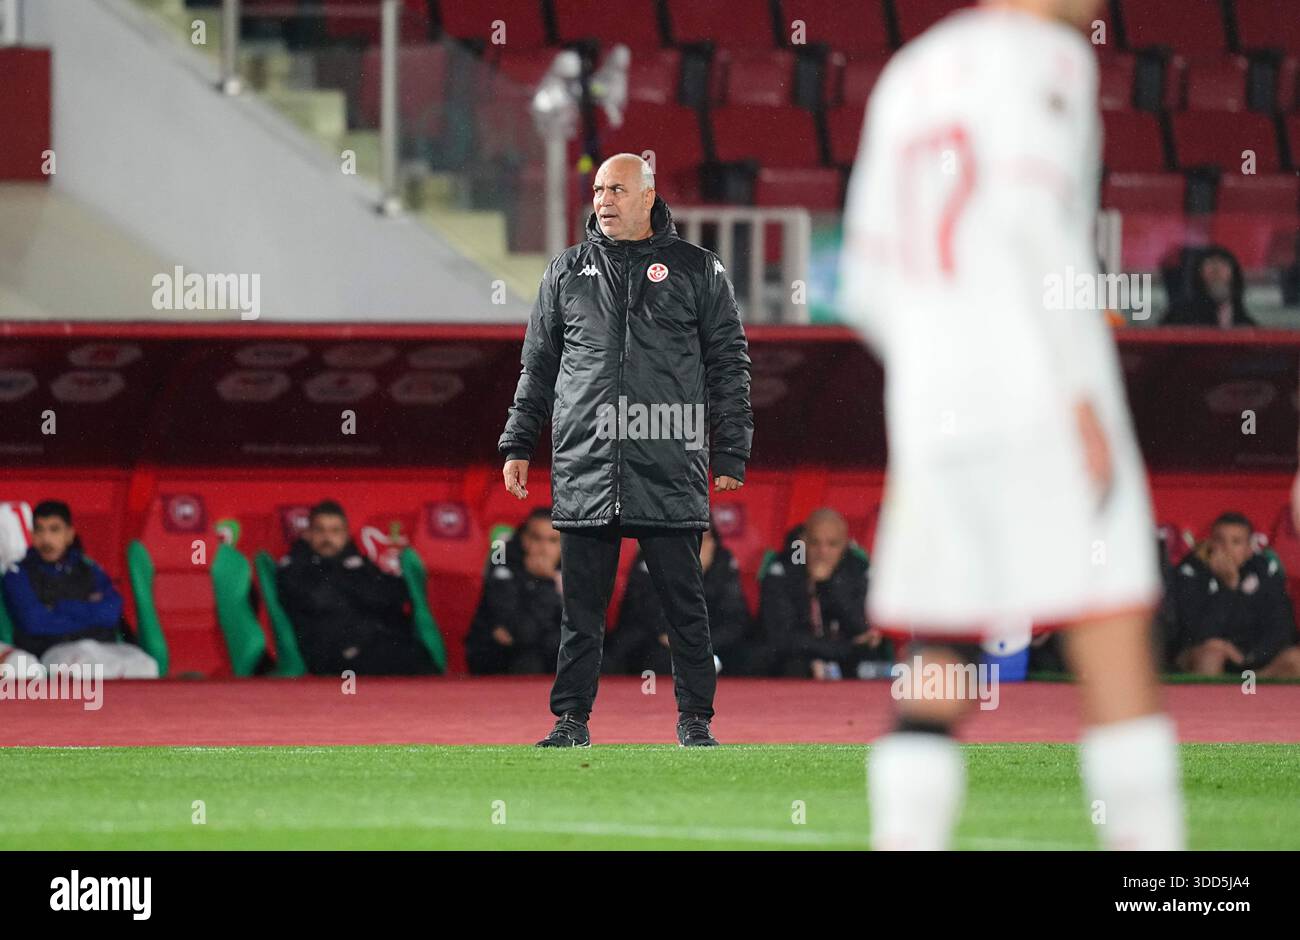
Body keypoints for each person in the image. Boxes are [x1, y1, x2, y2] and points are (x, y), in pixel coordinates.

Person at [838, 0, 1184, 849]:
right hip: (1040, 395)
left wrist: (936, 372)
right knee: (1111, 633)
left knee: (939, 654)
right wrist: (1072, 389)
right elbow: (1035, 223)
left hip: (931, 407)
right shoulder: (1048, 60)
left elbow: (864, 279)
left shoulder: (908, 73)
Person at [498, 153, 753, 747]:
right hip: (585, 460)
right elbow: (536, 367)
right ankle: (571, 721)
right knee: (580, 612)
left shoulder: (698, 269)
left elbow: (729, 363)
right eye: (596, 189)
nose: (603, 199)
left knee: (684, 608)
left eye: (616, 188)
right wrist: (517, 441)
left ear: (647, 196)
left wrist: (731, 451)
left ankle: (695, 723)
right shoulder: (565, 272)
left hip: (668, 459)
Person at [0, 500, 158, 678]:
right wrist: (89, 613)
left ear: (69, 534)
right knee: (81, 669)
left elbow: (111, 613)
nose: (46, 539)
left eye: (54, 530)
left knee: (146, 666)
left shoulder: (89, 568)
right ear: (32, 535)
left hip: (104, 646)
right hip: (55, 649)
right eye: (40, 530)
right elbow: (35, 623)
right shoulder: (18, 574)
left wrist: (62, 607)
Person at [275, 500, 434, 676]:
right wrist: (351, 577)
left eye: (335, 531)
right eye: (320, 530)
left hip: (374, 644)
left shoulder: (356, 563)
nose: (327, 538)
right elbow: (318, 599)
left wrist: (352, 576)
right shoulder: (295, 567)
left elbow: (393, 595)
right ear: (308, 534)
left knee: (417, 657)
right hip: (333, 655)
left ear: (345, 534)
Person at [755, 510, 889, 679]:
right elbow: (783, 638)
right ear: (803, 540)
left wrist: (828, 586)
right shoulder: (783, 569)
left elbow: (865, 629)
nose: (822, 551)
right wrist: (842, 649)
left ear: (845, 544)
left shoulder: (857, 569)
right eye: (814, 543)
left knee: (871, 665)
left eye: (832, 544)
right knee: (792, 665)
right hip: (799, 660)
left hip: (848, 660)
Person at [606, 526, 753, 677]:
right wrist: (675, 637)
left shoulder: (722, 561)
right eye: (690, 540)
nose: (697, 545)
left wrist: (702, 643)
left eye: (703, 539)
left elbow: (735, 616)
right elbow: (643, 607)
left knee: (747, 659)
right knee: (647, 658)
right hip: (659, 639)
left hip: (710, 640)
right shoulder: (653, 554)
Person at [1169, 513, 1300, 678]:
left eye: (1236, 542)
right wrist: (1228, 587)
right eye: (1219, 540)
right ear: (1210, 543)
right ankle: (1212, 702)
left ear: (1249, 549)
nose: (1227, 548)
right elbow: (1193, 633)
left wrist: (1250, 657)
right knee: (1212, 655)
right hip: (1205, 653)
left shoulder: (1265, 570)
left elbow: (1281, 628)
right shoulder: (1191, 570)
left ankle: (1248, 687)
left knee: (1296, 659)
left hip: (1252, 659)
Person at [466, 508, 564, 675]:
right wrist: (547, 583)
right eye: (537, 539)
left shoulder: (572, 565)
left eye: (553, 541)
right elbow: (522, 631)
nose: (544, 548)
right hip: (498, 655)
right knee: (529, 660)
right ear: (524, 539)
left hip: (546, 648)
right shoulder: (502, 556)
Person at [1161, 246, 1255, 328]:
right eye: (1210, 264)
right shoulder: (1179, 319)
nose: (1216, 270)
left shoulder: (1245, 325)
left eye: (1223, 264)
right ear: (1198, 274)